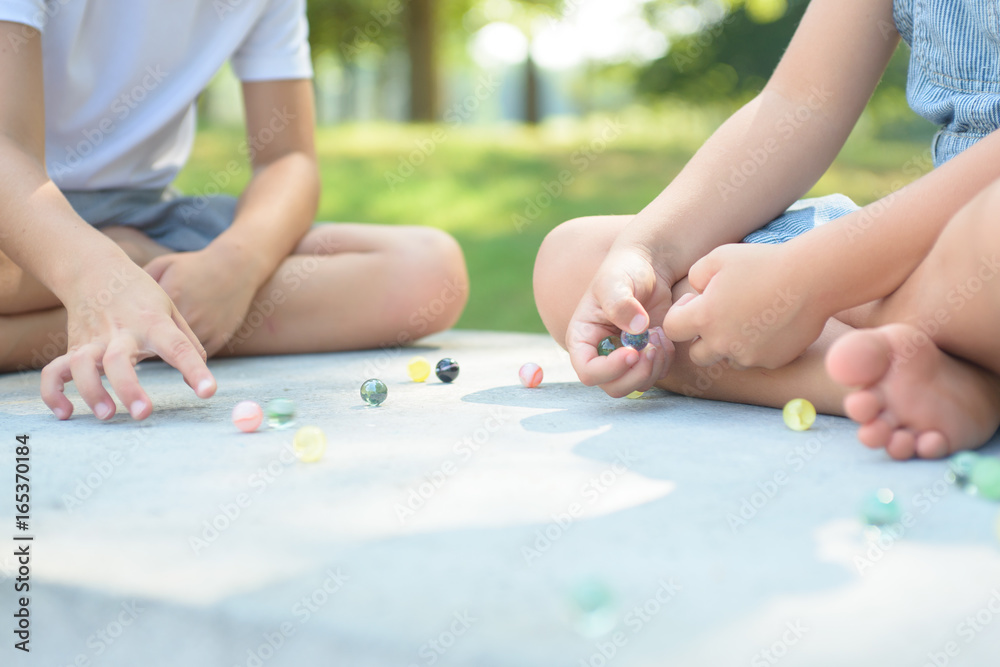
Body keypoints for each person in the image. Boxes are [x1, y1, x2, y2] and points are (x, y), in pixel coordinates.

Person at [534, 0, 1000, 460]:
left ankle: (929, 352)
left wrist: (808, 281)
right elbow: (801, 103)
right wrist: (650, 253)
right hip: (922, 254)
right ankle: (897, 374)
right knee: (576, 261)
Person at [0, 0, 468, 422]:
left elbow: (288, 159)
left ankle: (139, 303)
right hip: (26, 218)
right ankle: (143, 311)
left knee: (428, 270)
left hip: (152, 223)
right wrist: (95, 270)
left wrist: (235, 267)